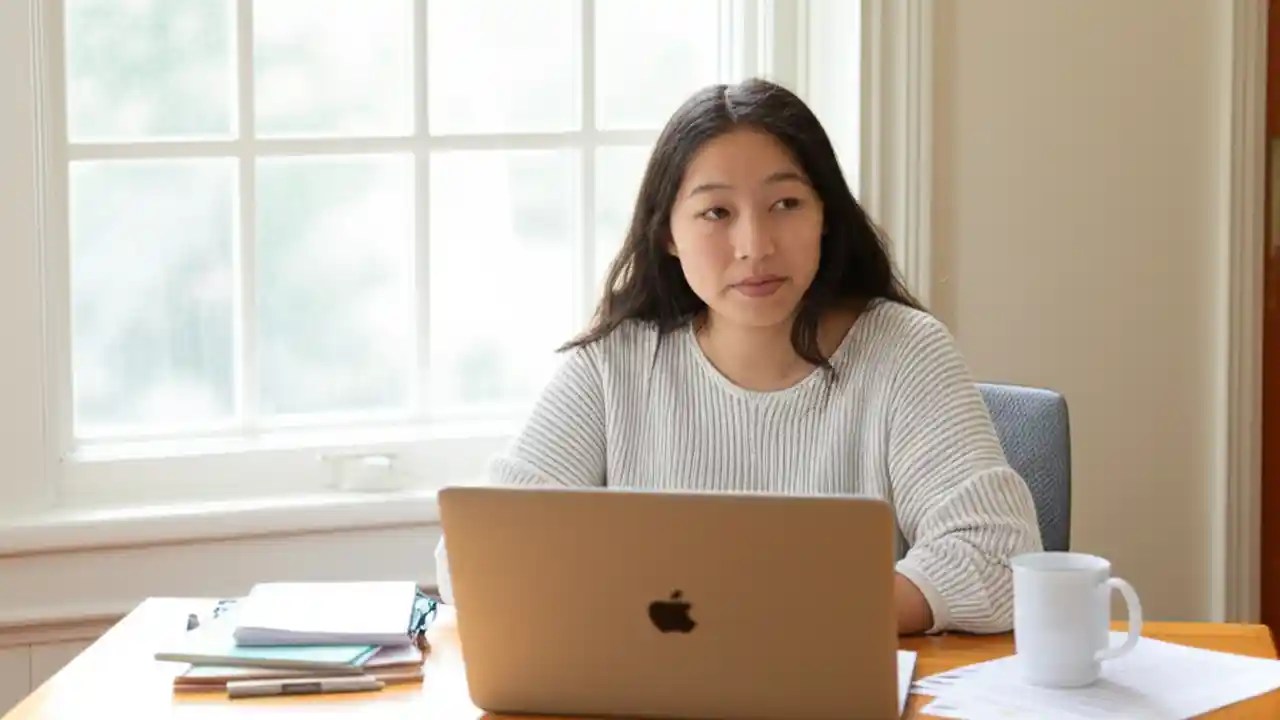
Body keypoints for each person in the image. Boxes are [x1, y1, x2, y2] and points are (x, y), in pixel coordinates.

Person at [434, 78, 1041, 635]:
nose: (755, 246)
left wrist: (787, 622)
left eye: (786, 204)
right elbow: (477, 556)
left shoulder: (905, 352)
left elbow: (1001, 557)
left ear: (826, 214)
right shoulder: (613, 367)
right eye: (716, 213)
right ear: (668, 233)